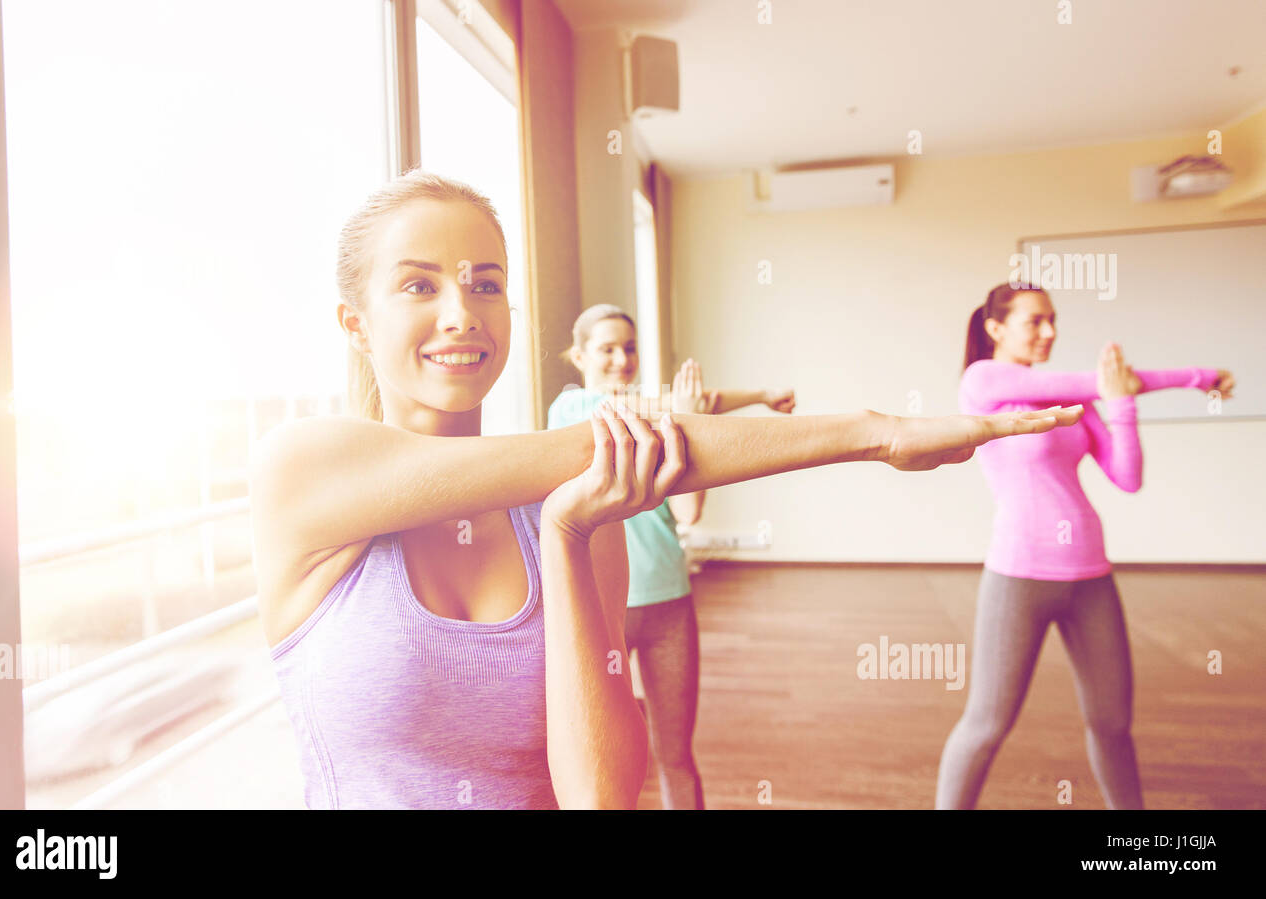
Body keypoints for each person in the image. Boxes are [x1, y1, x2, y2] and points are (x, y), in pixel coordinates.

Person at [249, 170, 1083, 809]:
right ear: (354, 322)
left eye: (486, 281)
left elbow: (600, 795)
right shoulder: (304, 471)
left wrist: (572, 541)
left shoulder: (575, 506)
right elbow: (605, 443)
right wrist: (872, 432)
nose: (463, 310)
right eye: (419, 284)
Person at [934, 283, 1235, 809]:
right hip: (1019, 576)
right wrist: (1198, 378)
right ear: (995, 328)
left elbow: (1128, 477)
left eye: (1054, 319)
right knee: (987, 725)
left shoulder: (1072, 398)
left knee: (1113, 723)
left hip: (1091, 575)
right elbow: (1093, 381)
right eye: (1035, 321)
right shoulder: (983, 380)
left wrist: (1119, 405)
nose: (1050, 331)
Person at [547, 303, 796, 809]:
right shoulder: (570, 410)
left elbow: (689, 507)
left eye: (630, 348)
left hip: (669, 603)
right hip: (603, 613)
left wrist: (761, 397)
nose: (621, 359)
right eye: (607, 348)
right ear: (579, 356)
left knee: (676, 756)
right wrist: (696, 409)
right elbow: (678, 406)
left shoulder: (661, 413)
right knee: (607, 760)